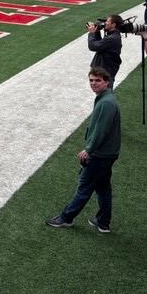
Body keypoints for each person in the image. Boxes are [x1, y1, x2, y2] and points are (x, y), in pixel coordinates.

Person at [46, 67, 120, 233]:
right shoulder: (106, 98)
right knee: (103, 188)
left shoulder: (106, 103)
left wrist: (89, 149)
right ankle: (103, 222)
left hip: (101, 154)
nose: (93, 84)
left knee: (84, 187)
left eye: (97, 80)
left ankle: (66, 218)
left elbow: (101, 130)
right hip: (107, 153)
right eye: (91, 80)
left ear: (106, 82)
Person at [87, 15, 122, 88]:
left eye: (107, 21)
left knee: (105, 95)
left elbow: (93, 46)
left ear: (113, 25)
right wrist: (97, 32)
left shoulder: (112, 38)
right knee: (102, 95)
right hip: (104, 71)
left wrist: (91, 33)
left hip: (106, 72)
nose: (105, 23)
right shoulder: (113, 35)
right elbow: (100, 46)